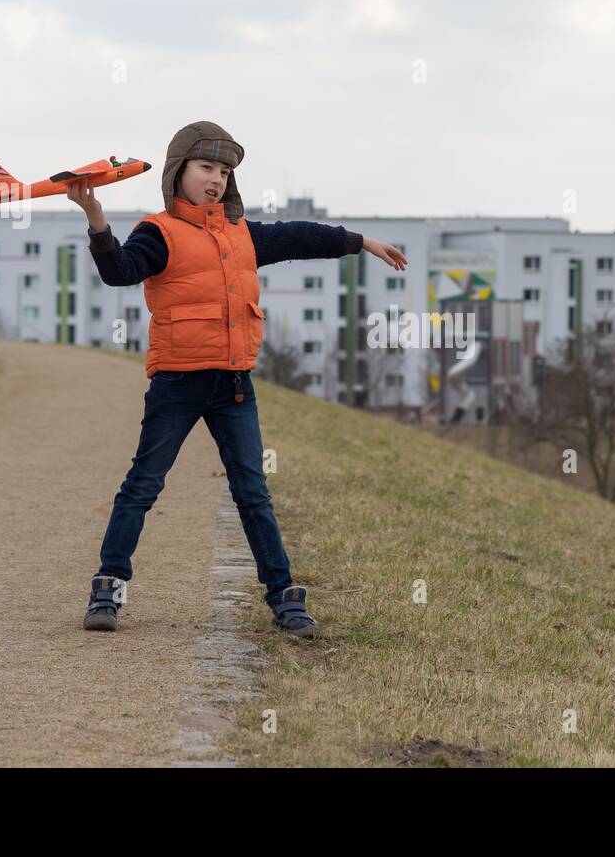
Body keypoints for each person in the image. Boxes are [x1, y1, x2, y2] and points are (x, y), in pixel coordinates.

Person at [73, 121, 406, 636]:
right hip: (177, 383)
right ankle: (108, 588)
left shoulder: (242, 235)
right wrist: (96, 217)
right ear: (178, 172)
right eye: (206, 168)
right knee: (142, 485)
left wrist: (362, 242)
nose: (216, 180)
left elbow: (300, 235)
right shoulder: (158, 232)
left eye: (224, 171)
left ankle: (285, 599)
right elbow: (119, 270)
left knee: (253, 492)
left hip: (233, 385)